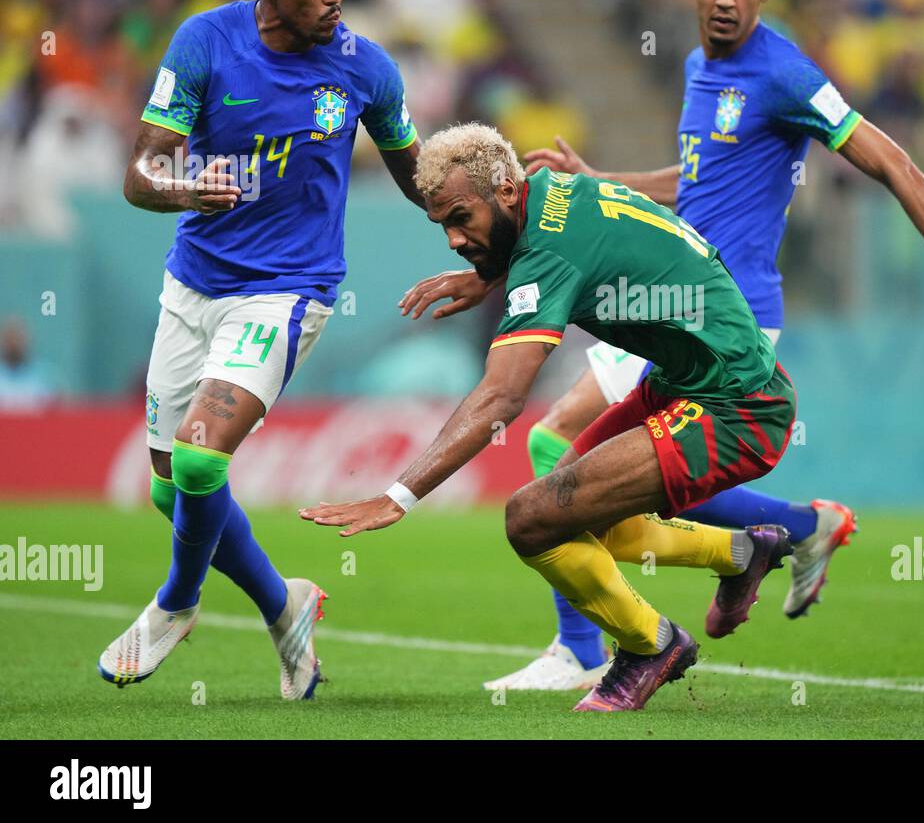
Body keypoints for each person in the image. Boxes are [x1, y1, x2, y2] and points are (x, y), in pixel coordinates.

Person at [401, 0, 924, 690]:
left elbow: (890, 159)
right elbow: (696, 180)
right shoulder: (698, 65)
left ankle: (588, 647)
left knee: (559, 443)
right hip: (666, 304)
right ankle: (787, 531)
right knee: (604, 462)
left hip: (722, 309)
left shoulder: (785, 73)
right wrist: (606, 179)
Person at [301, 122, 803, 712]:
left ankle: (652, 646)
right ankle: (745, 552)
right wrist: (490, 275)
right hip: (686, 382)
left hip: (737, 405)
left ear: (507, 191)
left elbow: (500, 397)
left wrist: (398, 495)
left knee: (532, 518)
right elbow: (567, 244)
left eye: (461, 218)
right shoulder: (549, 193)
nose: (454, 240)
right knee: (569, 511)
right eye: (443, 225)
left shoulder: (547, 250)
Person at [98, 0, 423, 699]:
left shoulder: (364, 67)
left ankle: (176, 603)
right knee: (172, 487)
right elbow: (141, 174)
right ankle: (287, 608)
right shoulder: (204, 41)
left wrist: (494, 233)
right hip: (194, 284)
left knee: (204, 455)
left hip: (289, 291)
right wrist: (185, 191)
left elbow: (423, 177)